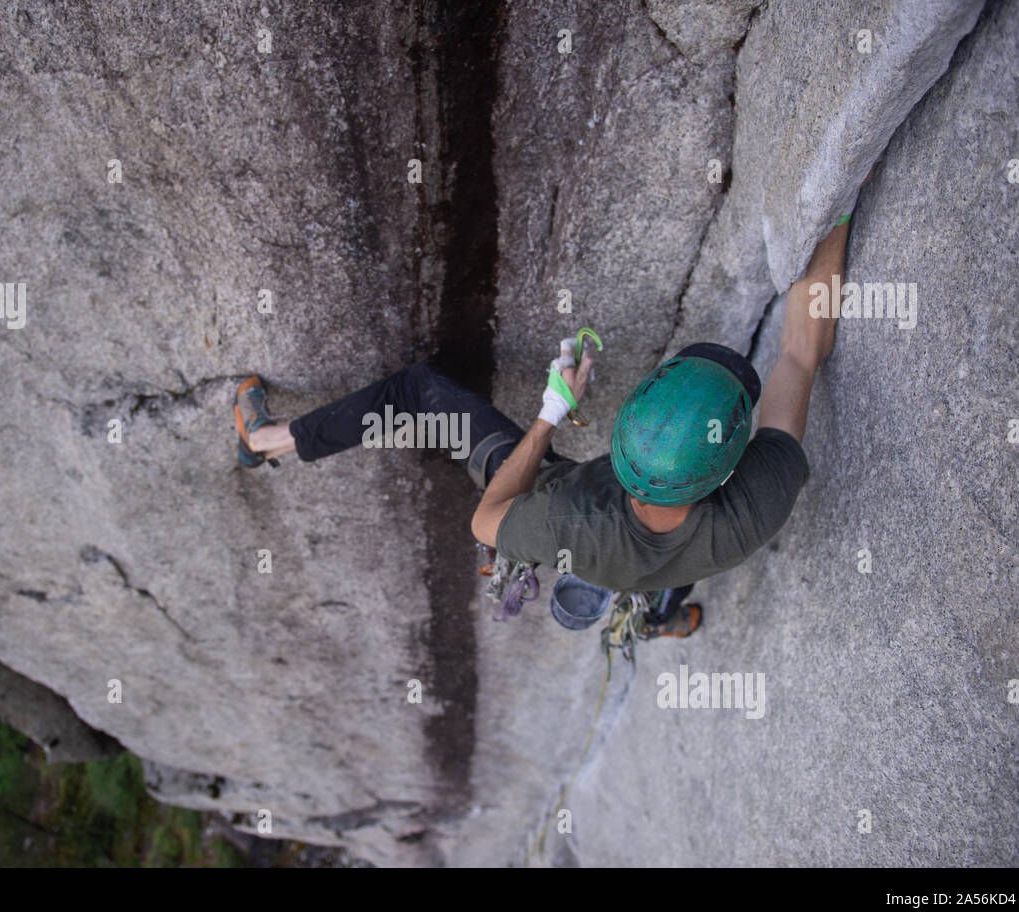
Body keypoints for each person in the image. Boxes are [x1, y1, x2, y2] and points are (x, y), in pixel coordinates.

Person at [234, 201, 859, 637]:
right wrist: (835, 210)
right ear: (729, 470)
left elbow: (486, 523)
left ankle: (263, 441)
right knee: (674, 565)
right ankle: (657, 611)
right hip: (671, 551)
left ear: (619, 446)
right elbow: (802, 350)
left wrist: (550, 414)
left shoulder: (567, 521)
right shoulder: (758, 504)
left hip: (558, 507)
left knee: (419, 391)